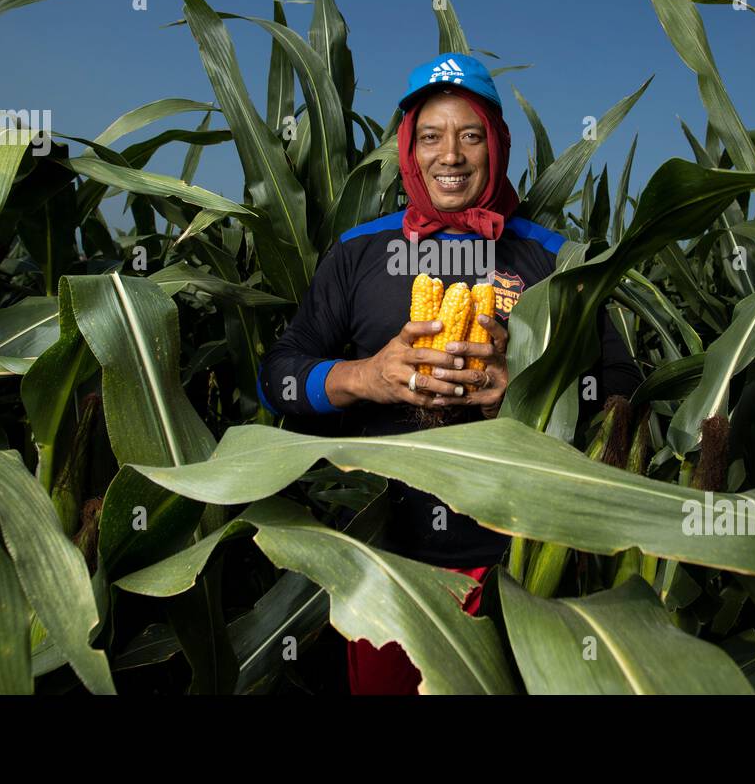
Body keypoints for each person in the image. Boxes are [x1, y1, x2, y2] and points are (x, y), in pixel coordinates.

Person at [256, 52, 643, 693]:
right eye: (431, 137)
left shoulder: (554, 259)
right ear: (409, 148)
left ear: (496, 145)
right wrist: (365, 377)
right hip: (386, 571)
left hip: (522, 569)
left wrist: (528, 392)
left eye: (470, 136)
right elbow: (277, 378)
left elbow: (624, 388)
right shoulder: (358, 253)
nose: (451, 156)